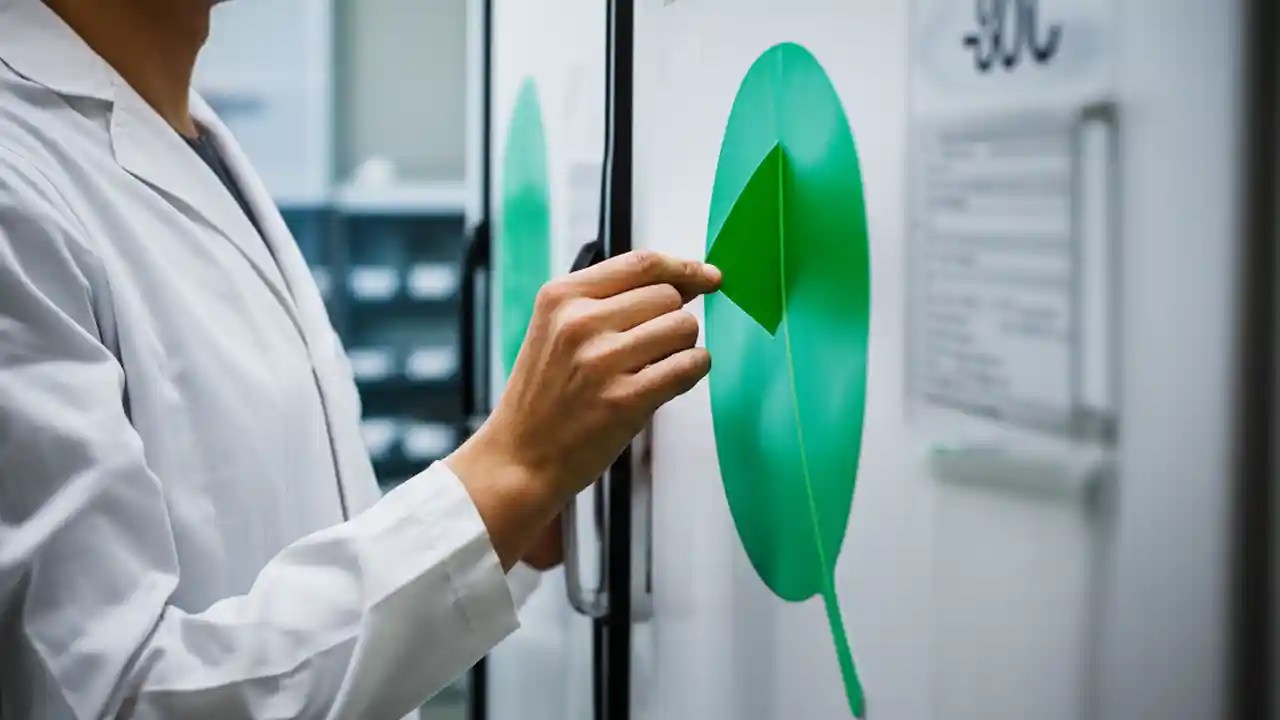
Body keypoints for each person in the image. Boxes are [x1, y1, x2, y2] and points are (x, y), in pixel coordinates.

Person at [0, 0, 720, 717]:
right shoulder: (17, 177)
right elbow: (112, 699)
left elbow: (284, 554)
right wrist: (510, 469)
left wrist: (522, 521)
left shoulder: (184, 132)